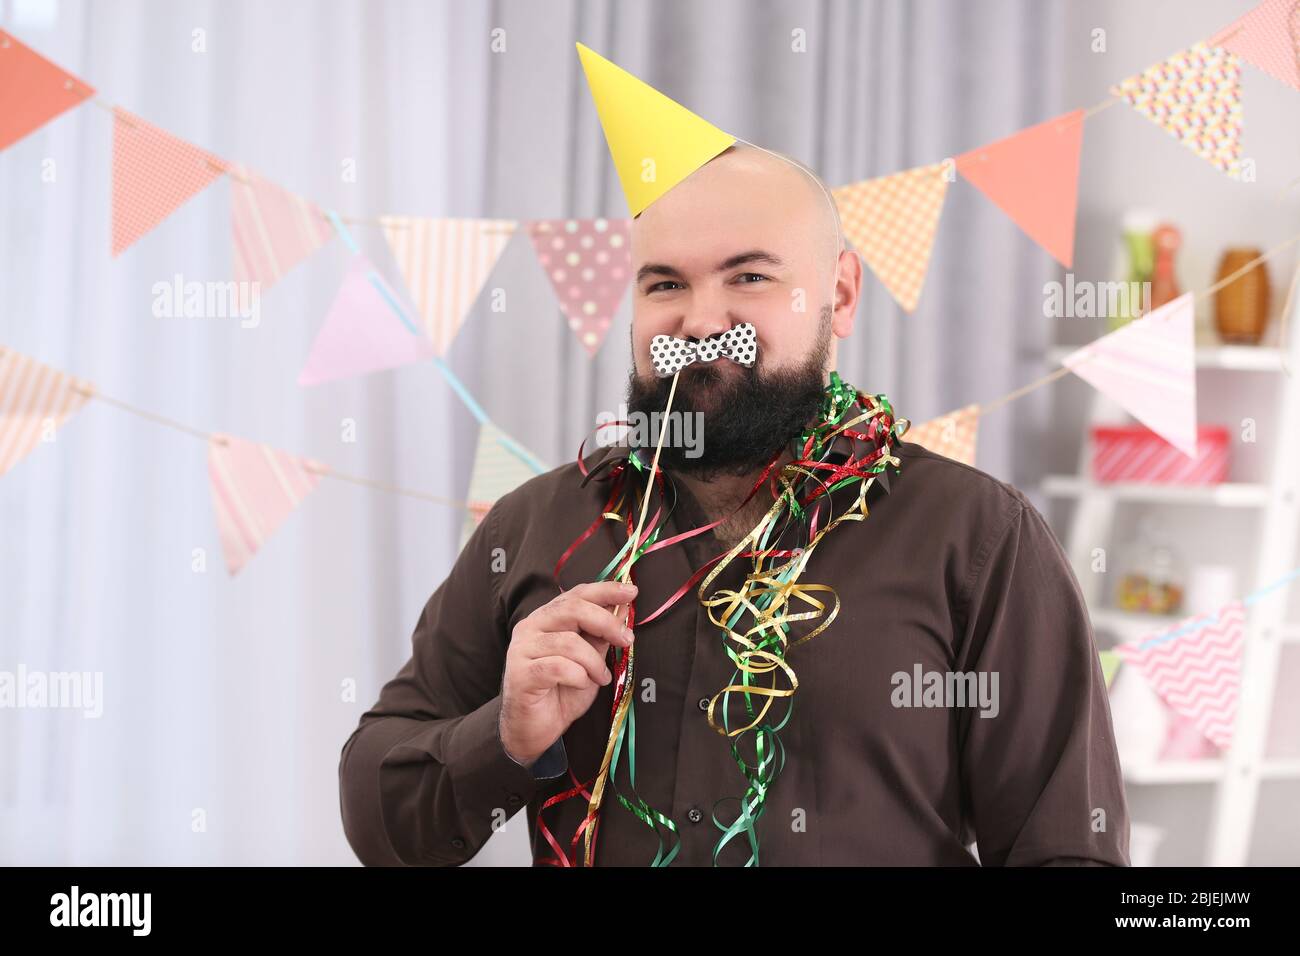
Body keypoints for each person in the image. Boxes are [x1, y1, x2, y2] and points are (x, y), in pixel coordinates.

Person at [337, 143, 1131, 867]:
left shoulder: (978, 538)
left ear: (840, 296)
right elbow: (384, 824)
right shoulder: (534, 527)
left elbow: (1069, 850)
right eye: (666, 284)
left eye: (748, 276)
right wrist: (504, 738)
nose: (700, 321)